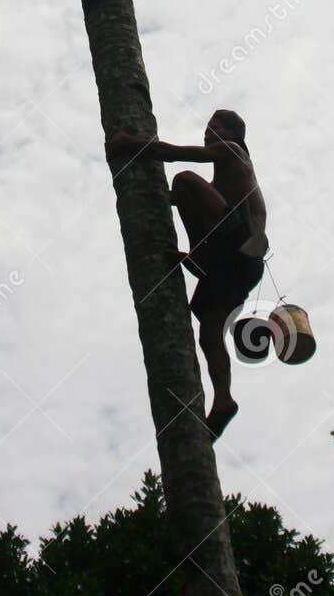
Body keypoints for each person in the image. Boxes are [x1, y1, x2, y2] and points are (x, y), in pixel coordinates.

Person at [107, 110, 267, 439]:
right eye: (208, 128)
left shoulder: (233, 152)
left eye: (217, 128)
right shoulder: (221, 184)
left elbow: (181, 154)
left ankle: (198, 255)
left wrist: (130, 144)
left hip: (238, 246)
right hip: (234, 266)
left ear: (235, 133)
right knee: (209, 334)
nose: (209, 134)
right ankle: (223, 400)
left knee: (183, 181)